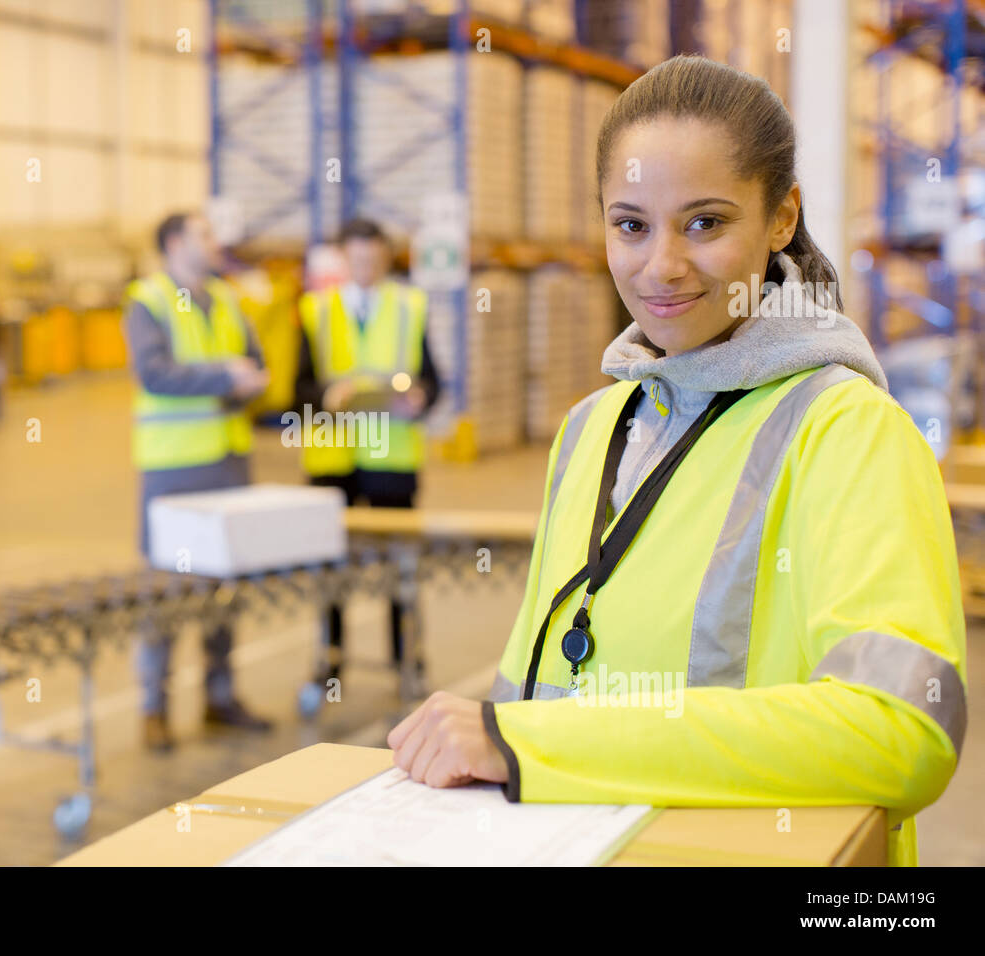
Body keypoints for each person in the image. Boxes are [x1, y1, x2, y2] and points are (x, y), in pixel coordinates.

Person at [386, 55, 966, 868]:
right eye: (631, 224)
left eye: (704, 223)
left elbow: (904, 728)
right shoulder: (591, 429)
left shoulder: (849, 430)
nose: (661, 265)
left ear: (780, 219)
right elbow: (538, 689)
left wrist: (533, 749)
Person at [123, 211, 274, 751]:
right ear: (174, 242)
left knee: (221, 586)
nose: (215, 243)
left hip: (227, 461)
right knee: (165, 589)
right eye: (204, 233)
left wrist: (247, 383)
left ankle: (219, 695)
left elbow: (255, 364)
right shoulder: (149, 301)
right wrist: (224, 377)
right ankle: (153, 708)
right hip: (173, 468)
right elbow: (153, 372)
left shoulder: (228, 299)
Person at [294, 218, 440, 685]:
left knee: (398, 566)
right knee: (330, 566)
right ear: (344, 259)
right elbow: (295, 390)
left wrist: (421, 397)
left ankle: (405, 658)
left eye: (373, 258)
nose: (364, 267)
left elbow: (432, 380)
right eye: (355, 258)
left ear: (384, 258)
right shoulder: (315, 310)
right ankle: (332, 658)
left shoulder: (409, 307)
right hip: (332, 461)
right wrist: (326, 394)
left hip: (390, 459)